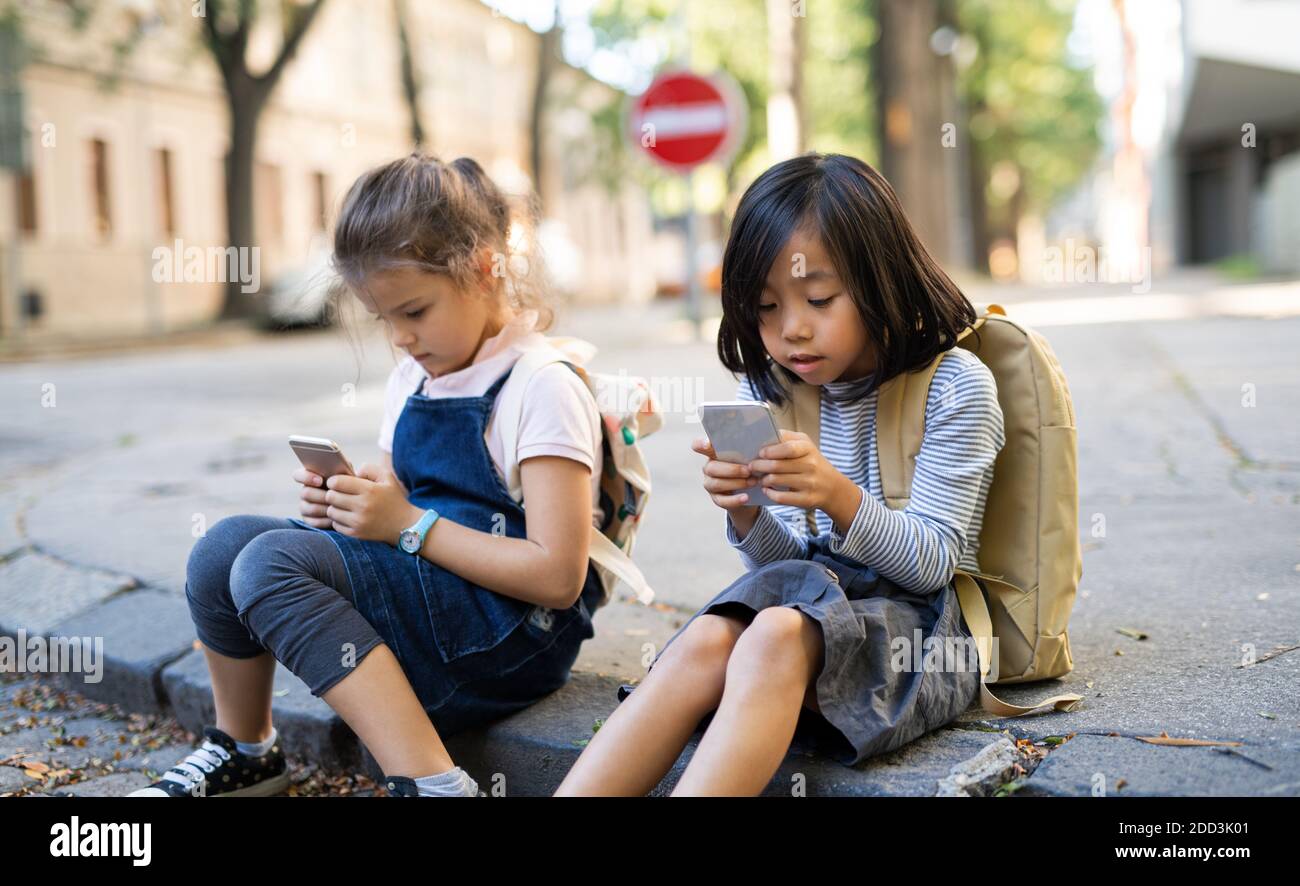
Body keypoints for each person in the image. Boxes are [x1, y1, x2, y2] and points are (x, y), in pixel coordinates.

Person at [132, 154, 604, 798]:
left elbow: (557, 577)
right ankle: (247, 750)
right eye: (384, 319)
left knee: (268, 565)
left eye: (414, 311)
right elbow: (408, 504)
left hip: (510, 640)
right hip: (435, 604)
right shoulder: (418, 374)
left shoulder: (542, 387)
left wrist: (406, 524)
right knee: (225, 547)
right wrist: (359, 503)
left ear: (486, 268)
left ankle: (435, 785)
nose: (401, 340)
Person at [556, 152, 1005, 796]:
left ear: (883, 279)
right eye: (766, 308)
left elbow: (931, 565)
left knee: (773, 634)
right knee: (711, 636)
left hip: (924, 638)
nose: (792, 330)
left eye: (819, 298)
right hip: (813, 624)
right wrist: (745, 512)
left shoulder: (955, 388)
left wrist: (841, 498)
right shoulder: (778, 389)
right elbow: (791, 569)